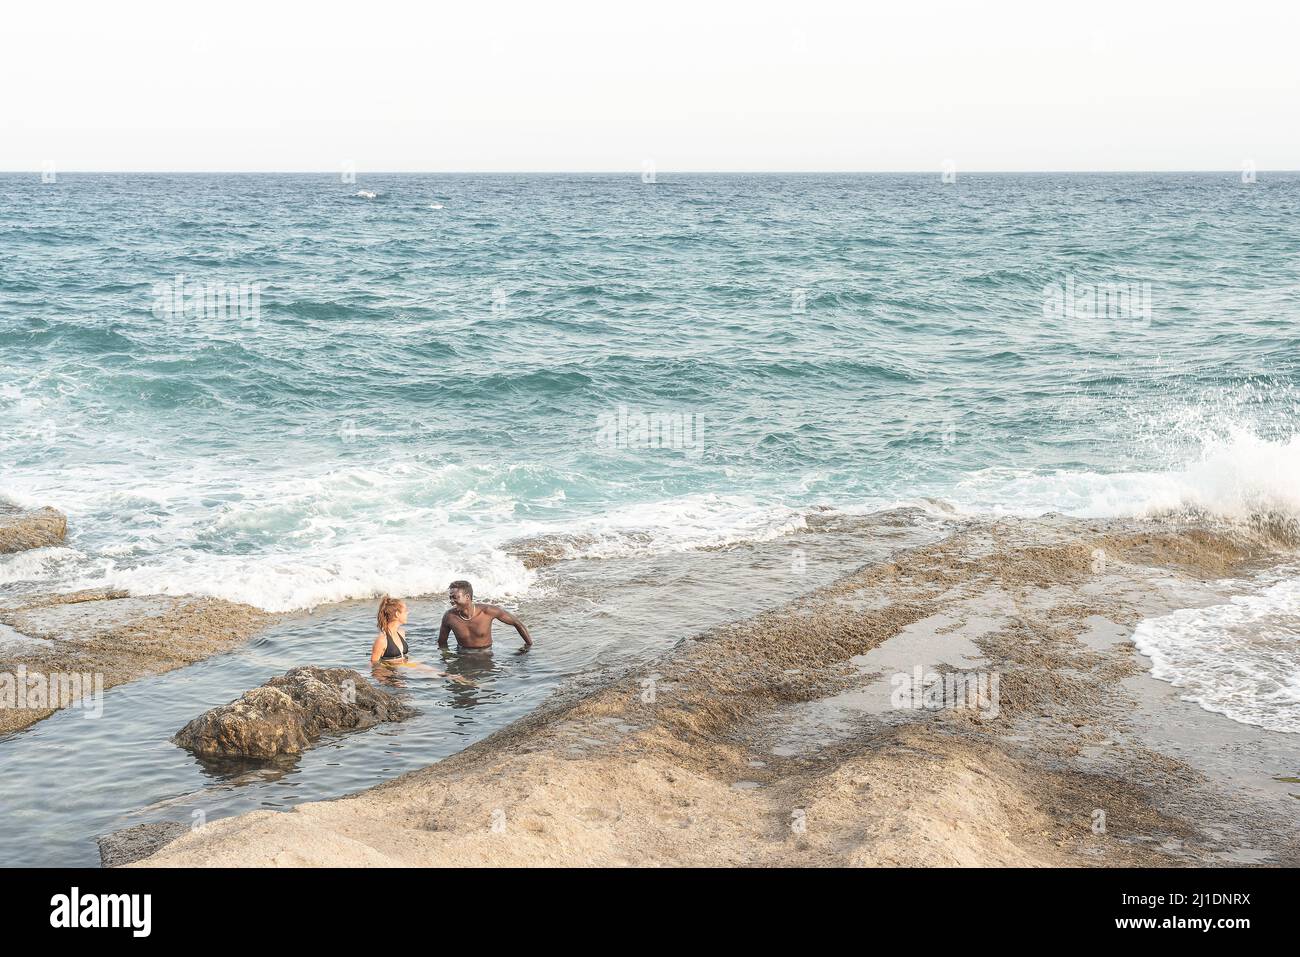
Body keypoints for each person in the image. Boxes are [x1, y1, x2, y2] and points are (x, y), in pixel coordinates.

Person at [370, 595, 472, 683]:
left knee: (446, 675)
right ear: (397, 614)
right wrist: (384, 680)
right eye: (405, 611)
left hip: (407, 667)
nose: (407, 613)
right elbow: (374, 664)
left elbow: (404, 657)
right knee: (442, 677)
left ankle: (473, 685)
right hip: (394, 672)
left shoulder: (401, 633)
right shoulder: (382, 640)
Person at [438, 580, 532, 650]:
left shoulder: (488, 611)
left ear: (467, 597)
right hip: (462, 654)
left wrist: (528, 646)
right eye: (450, 598)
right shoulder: (449, 617)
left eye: (455, 597)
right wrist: (446, 659)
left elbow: (517, 623)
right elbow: (442, 643)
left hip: (485, 653)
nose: (451, 601)